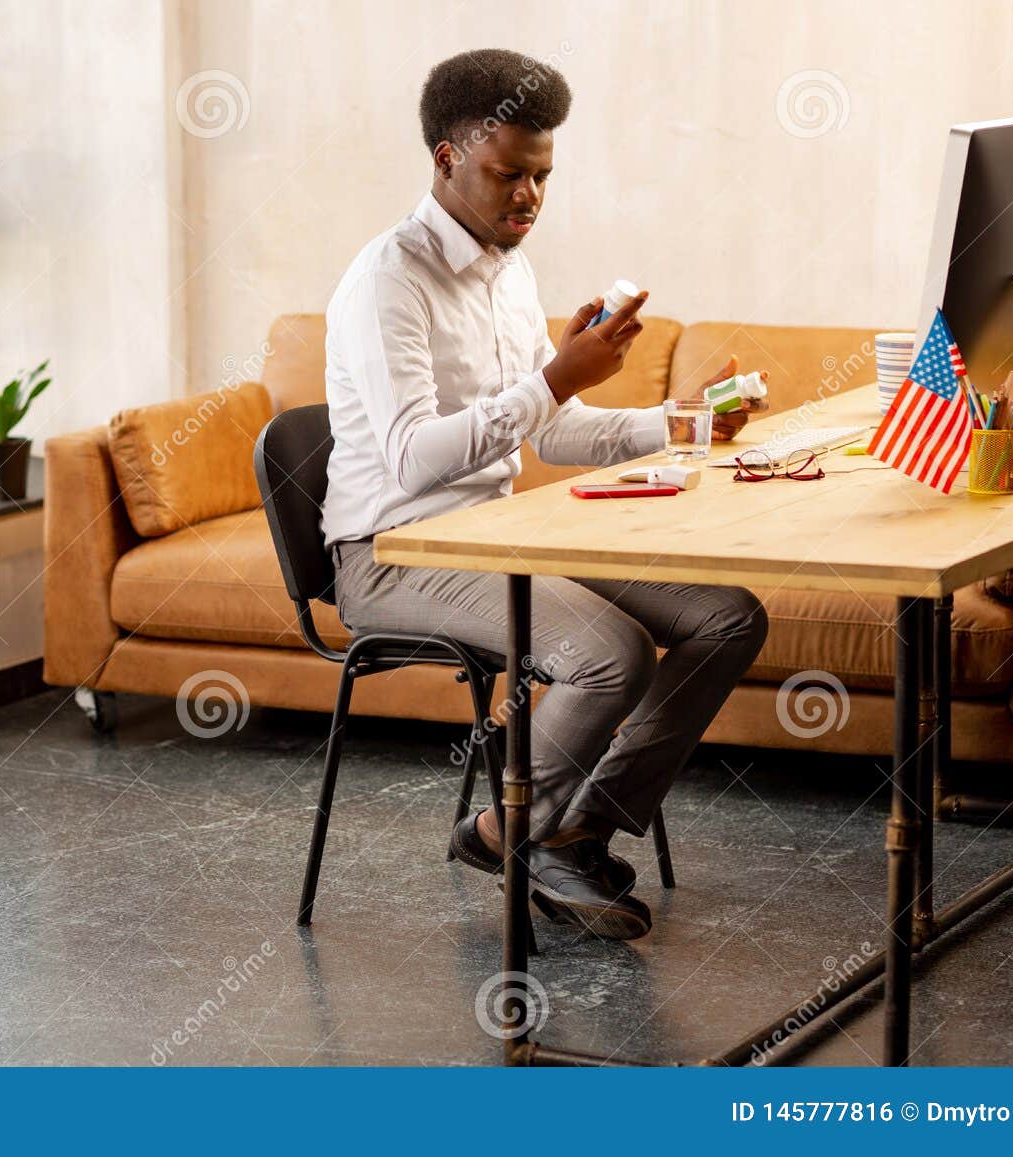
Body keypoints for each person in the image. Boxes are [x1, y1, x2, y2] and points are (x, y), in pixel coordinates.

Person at [319, 48, 770, 942]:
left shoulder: (506, 268)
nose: (527, 197)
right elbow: (413, 460)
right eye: (507, 175)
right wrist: (555, 377)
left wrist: (686, 423)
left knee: (729, 617)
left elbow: (551, 433)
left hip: (494, 533)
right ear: (447, 158)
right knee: (610, 654)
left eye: (541, 177)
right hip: (393, 550)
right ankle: (511, 832)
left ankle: (566, 828)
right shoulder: (388, 280)